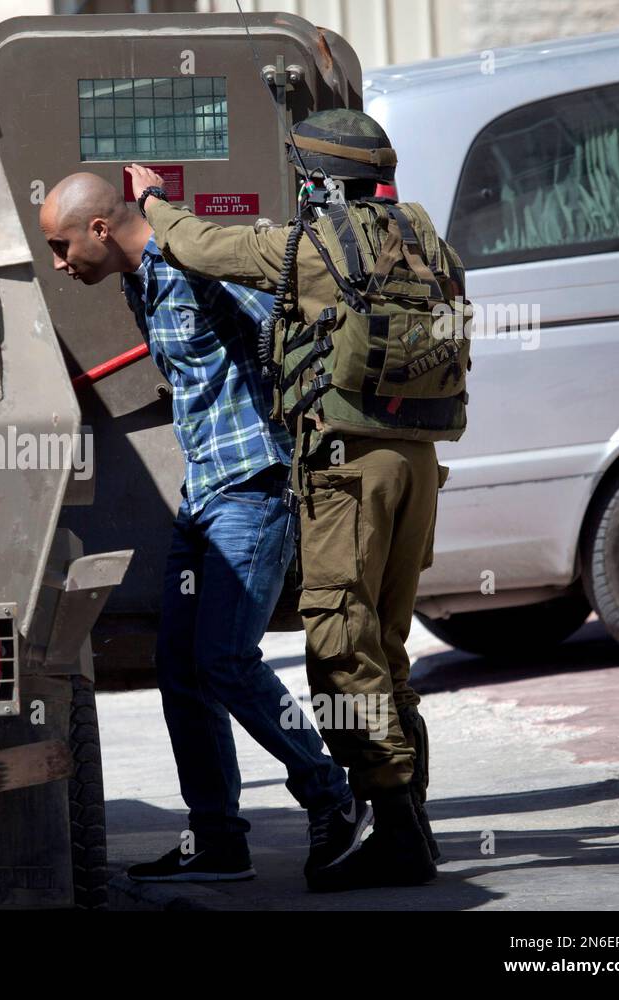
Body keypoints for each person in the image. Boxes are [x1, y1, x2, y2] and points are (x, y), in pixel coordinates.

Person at [127, 108, 470, 891]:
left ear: (318, 180)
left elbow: (200, 245)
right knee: (386, 645)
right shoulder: (424, 240)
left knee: (339, 644)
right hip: (419, 462)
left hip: (348, 467)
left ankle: (395, 832)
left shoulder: (308, 247)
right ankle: (410, 815)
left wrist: (153, 203)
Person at [38, 171, 371, 884]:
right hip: (204, 498)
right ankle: (217, 839)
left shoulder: (194, 262)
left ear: (99, 228)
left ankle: (334, 799)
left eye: (61, 246)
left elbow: (293, 325)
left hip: (252, 486)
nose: (60, 264)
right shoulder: (139, 282)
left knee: (225, 659)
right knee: (181, 669)